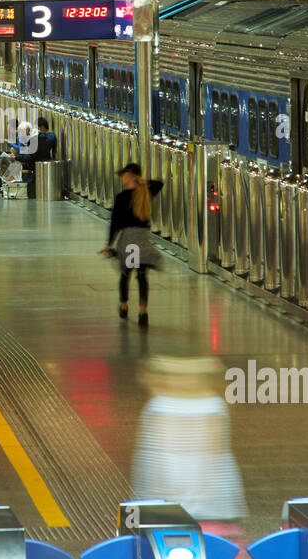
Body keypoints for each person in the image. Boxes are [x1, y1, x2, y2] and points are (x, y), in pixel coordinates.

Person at [132, 356, 248, 539]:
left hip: (173, 501)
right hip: (209, 504)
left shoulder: (159, 406)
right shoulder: (213, 405)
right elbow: (214, 456)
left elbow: (154, 458)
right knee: (214, 546)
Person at [101, 162, 163, 326]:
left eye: (124, 174)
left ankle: (124, 305)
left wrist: (109, 243)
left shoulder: (122, 197)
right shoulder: (145, 192)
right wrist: (145, 182)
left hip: (129, 242)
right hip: (142, 239)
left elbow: (114, 223)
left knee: (126, 274)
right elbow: (160, 184)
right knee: (142, 276)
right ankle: (143, 312)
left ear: (131, 176)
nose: (121, 177)